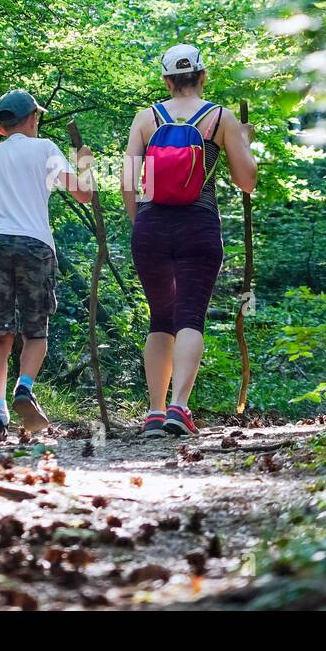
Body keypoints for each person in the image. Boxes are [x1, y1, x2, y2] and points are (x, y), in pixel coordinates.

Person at [0, 89, 94, 441]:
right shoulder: (45, 149)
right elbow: (83, 194)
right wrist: (84, 162)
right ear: (33, 119)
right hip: (35, 246)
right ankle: (24, 387)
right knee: (35, 329)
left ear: (0, 127)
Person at [121, 44, 257, 437]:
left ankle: (154, 412)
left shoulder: (146, 119)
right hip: (199, 224)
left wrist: (139, 223)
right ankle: (179, 407)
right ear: (203, 76)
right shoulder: (220, 118)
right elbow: (247, 181)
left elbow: (128, 181)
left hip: (150, 227)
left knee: (161, 317)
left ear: (166, 80)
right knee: (190, 315)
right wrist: (243, 140)